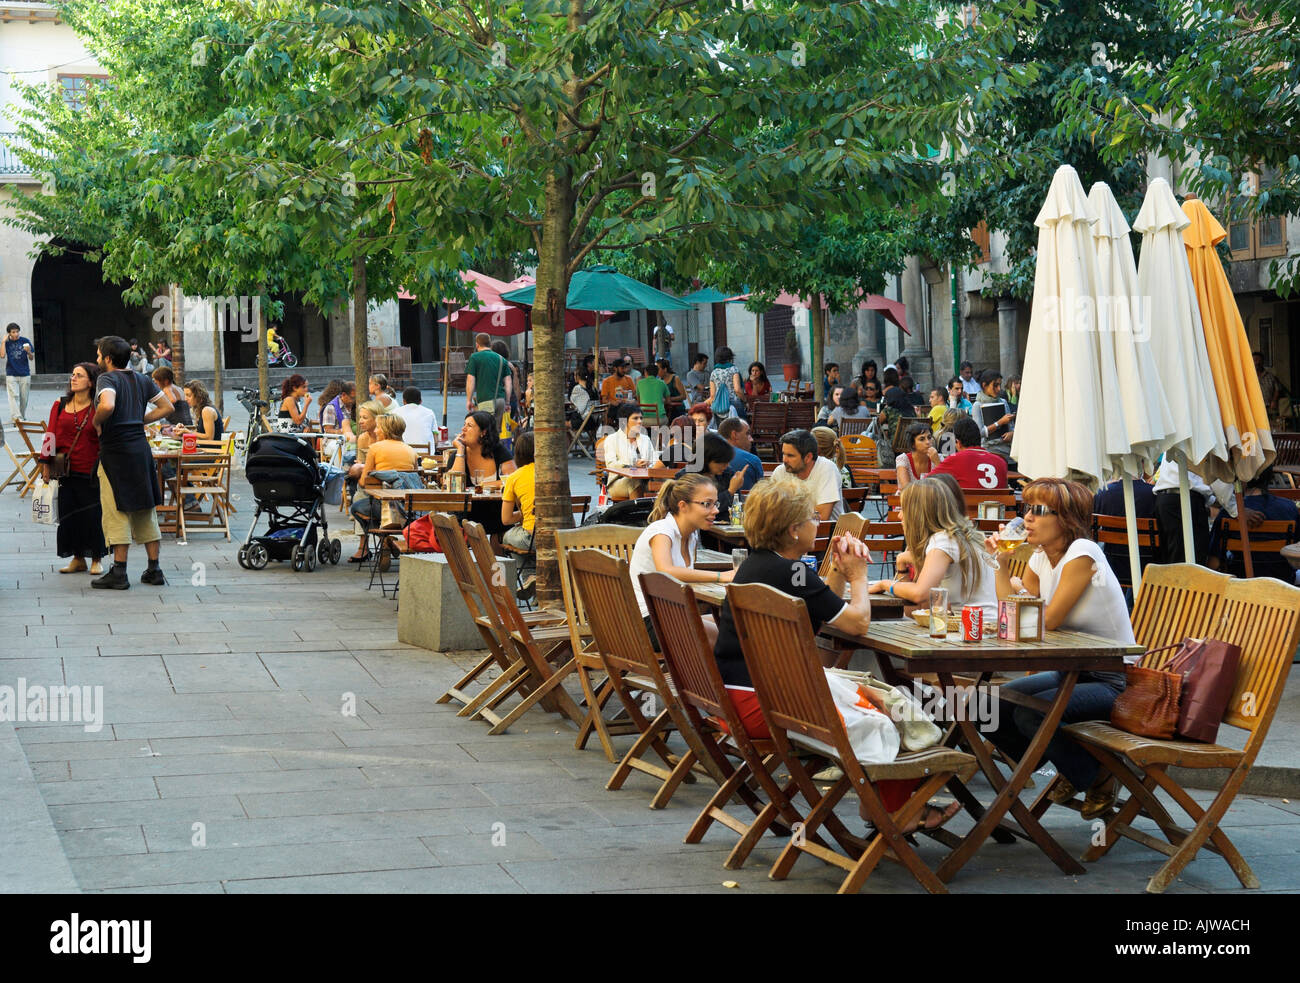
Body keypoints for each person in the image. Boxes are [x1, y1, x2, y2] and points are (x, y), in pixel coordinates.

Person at [987, 478, 1138, 820]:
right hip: (1071, 672)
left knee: (1033, 712)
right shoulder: (1040, 557)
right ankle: (1069, 766)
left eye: (1039, 511)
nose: (1027, 518)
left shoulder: (1083, 553)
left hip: (1114, 680)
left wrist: (1022, 604)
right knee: (990, 705)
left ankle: (1099, 776)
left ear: (1067, 519)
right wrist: (1000, 562)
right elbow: (1012, 613)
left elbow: (1048, 621)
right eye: (1027, 508)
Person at [90, 335, 173, 589]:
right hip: (140, 449)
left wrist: (97, 421)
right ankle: (154, 569)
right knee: (145, 507)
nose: (96, 359)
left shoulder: (107, 378)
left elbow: (108, 404)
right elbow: (166, 407)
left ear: (107, 358)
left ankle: (119, 572)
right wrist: (140, 421)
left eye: (98, 355)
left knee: (117, 508)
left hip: (116, 451)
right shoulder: (142, 379)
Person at [629, 472, 734, 646]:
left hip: (671, 613)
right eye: (707, 504)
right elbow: (666, 570)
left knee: (734, 627)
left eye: (716, 504)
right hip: (648, 621)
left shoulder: (691, 535)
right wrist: (721, 576)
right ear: (683, 506)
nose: (715, 511)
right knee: (727, 639)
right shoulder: (662, 531)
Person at [870, 476, 998, 619]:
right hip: (971, 626)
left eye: (904, 509)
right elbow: (913, 611)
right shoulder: (953, 537)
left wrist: (885, 584)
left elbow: (919, 594)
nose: (900, 515)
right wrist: (902, 565)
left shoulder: (944, 540)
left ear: (917, 513)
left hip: (974, 629)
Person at [40, 362, 106, 575]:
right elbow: (50, 435)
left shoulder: (98, 407)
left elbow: (104, 438)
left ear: (91, 381)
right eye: (73, 374)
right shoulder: (59, 405)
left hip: (92, 470)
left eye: (79, 375)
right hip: (65, 470)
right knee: (69, 516)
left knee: (93, 515)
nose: (73, 378)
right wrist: (45, 464)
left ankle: (96, 558)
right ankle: (78, 558)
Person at [350, 413, 420, 563]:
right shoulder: (411, 450)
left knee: (355, 507)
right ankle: (387, 541)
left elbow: (364, 482)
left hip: (384, 507)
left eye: (378, 427)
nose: (375, 431)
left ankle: (384, 538)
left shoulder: (375, 449)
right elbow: (414, 477)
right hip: (410, 511)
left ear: (385, 430)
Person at [1208, 467, 1299, 581]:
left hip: (1239, 581)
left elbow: (1213, 563)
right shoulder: (1289, 508)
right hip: (1281, 580)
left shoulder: (1231, 512)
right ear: (1270, 476)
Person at [1152, 456, 1236, 566]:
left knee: (1172, 562)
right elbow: (1217, 476)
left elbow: (1194, 485)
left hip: (1166, 500)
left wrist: (1212, 500)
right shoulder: (1206, 439)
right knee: (1189, 562)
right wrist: (1236, 509)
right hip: (1183, 503)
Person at [448, 409, 516, 535]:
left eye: (469, 426)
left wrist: (483, 485)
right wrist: (461, 450)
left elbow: (512, 480)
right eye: (464, 425)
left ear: (483, 432)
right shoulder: (457, 455)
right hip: (467, 512)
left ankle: (495, 552)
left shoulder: (498, 451)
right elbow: (454, 485)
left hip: (496, 510)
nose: (463, 429)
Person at [1093, 476, 1158, 588]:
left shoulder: (1103, 492)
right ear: (1142, 464)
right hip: (1147, 567)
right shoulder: (1153, 493)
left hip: (1111, 566)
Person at [770, 428, 843, 520]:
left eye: (790, 455)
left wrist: (784, 512)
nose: (784, 460)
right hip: (788, 531)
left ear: (808, 457)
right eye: (784, 454)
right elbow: (770, 509)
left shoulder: (826, 468)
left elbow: (822, 516)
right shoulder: (780, 471)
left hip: (826, 533)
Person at [345, 400, 385, 561]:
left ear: (377, 419)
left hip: (385, 483)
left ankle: (384, 540)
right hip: (367, 481)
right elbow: (360, 465)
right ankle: (365, 545)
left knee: (361, 498)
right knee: (359, 497)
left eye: (365, 417)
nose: (360, 421)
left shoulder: (385, 436)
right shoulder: (362, 438)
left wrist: (363, 467)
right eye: (359, 417)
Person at [676, 430, 745, 517]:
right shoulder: (685, 477)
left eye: (727, 462)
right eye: (721, 462)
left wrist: (735, 490)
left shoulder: (728, 473)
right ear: (705, 460)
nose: (726, 466)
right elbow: (699, 510)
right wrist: (730, 491)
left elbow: (736, 508)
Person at [930, 416, 1007, 490]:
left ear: (958, 443)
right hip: (1000, 502)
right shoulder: (1001, 461)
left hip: (967, 503)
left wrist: (937, 462)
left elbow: (926, 482)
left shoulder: (955, 459)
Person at [605, 404, 662, 500]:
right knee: (634, 482)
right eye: (635, 418)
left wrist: (649, 464)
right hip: (618, 482)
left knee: (666, 482)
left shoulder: (645, 439)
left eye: (641, 418)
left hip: (645, 480)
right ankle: (637, 513)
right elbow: (611, 464)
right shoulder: (612, 439)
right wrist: (633, 465)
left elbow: (655, 461)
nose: (640, 421)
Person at [500, 431, 537, 553]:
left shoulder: (514, 477)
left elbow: (506, 519)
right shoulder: (557, 472)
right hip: (563, 535)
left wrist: (525, 513)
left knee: (506, 537)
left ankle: (526, 569)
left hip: (533, 538)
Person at [465, 332, 511, 429]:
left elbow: (470, 380)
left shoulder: (474, 357)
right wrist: (507, 402)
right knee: (496, 432)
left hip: (485, 400)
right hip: (500, 400)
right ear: (490, 343)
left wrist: (469, 399)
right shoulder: (501, 358)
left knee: (485, 431)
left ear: (477, 344)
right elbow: (508, 382)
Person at [973, 369, 1014, 460]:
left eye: (999, 385)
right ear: (984, 385)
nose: (999, 389)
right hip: (989, 451)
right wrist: (1000, 422)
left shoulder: (1003, 402)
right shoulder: (977, 405)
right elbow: (979, 433)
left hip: (1007, 451)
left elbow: (1011, 426)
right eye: (995, 385)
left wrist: (1012, 433)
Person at [718, 417, 764, 491]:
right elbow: (761, 493)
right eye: (747, 433)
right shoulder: (752, 460)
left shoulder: (706, 455)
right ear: (734, 435)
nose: (751, 439)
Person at [5, 322, 35, 422]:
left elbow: (31, 358)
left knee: (24, 398)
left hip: (25, 373)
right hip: (11, 373)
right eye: (13, 332)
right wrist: (3, 342)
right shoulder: (7, 342)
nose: (16, 334)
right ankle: (17, 418)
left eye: (17, 331)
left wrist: (28, 351)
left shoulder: (25, 341)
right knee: (13, 397)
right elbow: (1, 355)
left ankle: (21, 416)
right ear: (9, 333)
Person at [708, 346, 745, 426]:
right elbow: (737, 390)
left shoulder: (714, 372)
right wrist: (745, 400)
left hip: (719, 407)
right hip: (734, 404)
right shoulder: (733, 369)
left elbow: (712, 396)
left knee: (722, 431)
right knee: (741, 428)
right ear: (730, 357)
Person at [896, 422, 939, 489]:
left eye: (929, 437)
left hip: (931, 498)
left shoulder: (937, 457)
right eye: (922, 439)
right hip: (908, 498)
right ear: (913, 444)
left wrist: (937, 462)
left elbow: (945, 485)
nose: (928, 442)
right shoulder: (903, 459)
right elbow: (906, 488)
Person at [1253, 351, 1282, 421]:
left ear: (1262, 362)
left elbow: (1277, 389)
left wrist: (1274, 401)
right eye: (1255, 360)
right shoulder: (1248, 376)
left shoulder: (1270, 376)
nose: (1257, 363)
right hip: (1253, 406)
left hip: (1268, 407)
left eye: (1259, 360)